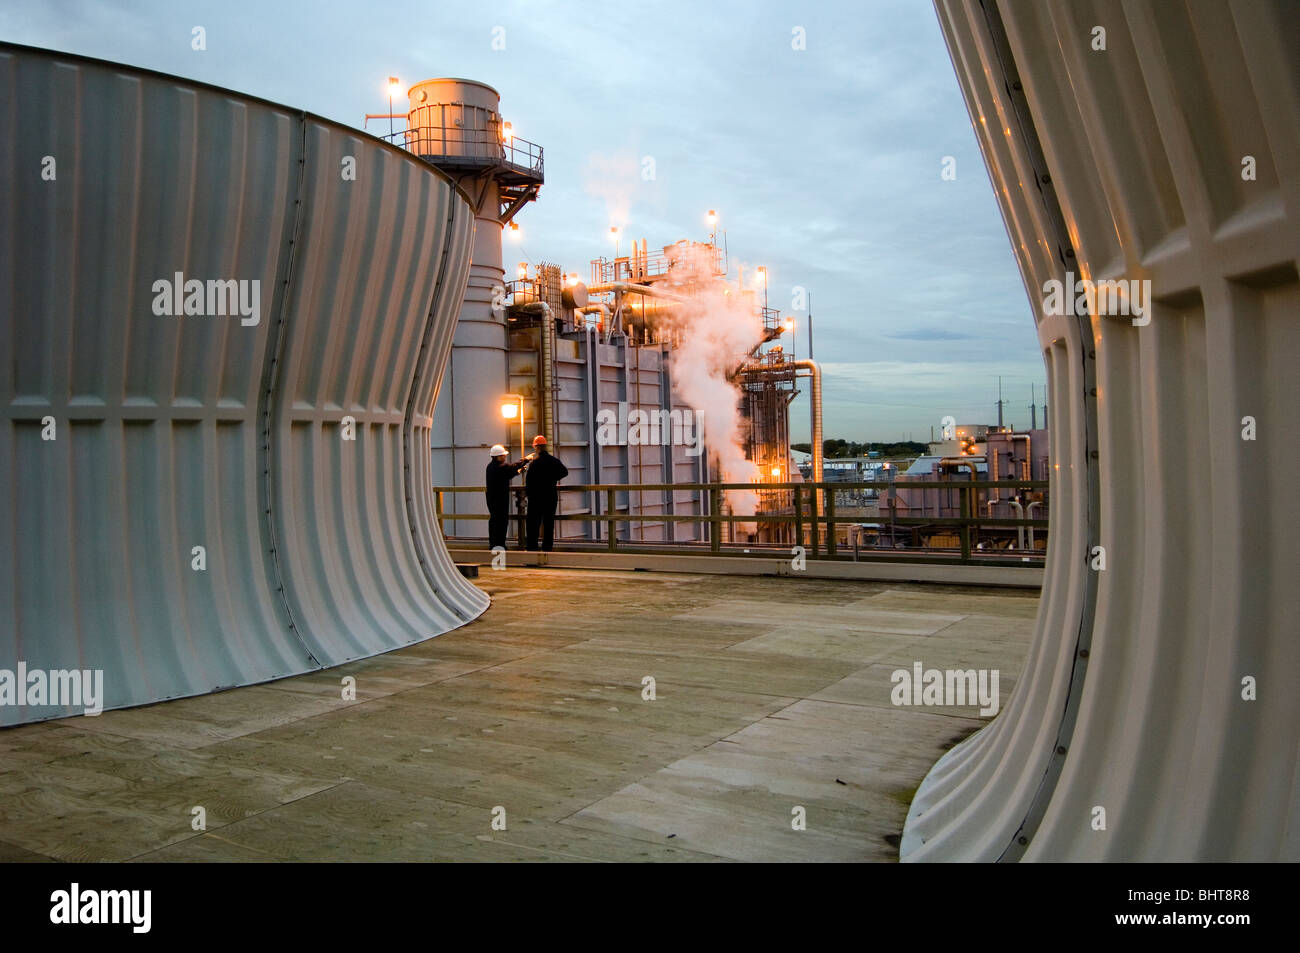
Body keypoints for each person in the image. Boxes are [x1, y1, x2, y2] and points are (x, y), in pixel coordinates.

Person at [524, 435, 568, 552]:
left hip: (536, 499)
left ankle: (532, 549)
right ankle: (547, 549)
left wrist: (529, 495)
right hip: (550, 497)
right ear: (545, 446)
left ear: (536, 447)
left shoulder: (534, 463)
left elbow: (528, 482)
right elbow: (565, 472)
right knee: (548, 524)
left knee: (533, 525)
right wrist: (552, 479)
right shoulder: (554, 461)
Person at [485, 444, 527, 549]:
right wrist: (526, 460)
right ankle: (500, 545)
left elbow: (505, 474)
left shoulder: (490, 467)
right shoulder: (501, 466)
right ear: (497, 457)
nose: (504, 457)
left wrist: (518, 472)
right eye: (503, 455)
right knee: (502, 522)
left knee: (494, 521)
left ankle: (493, 544)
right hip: (500, 499)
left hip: (492, 498)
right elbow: (511, 467)